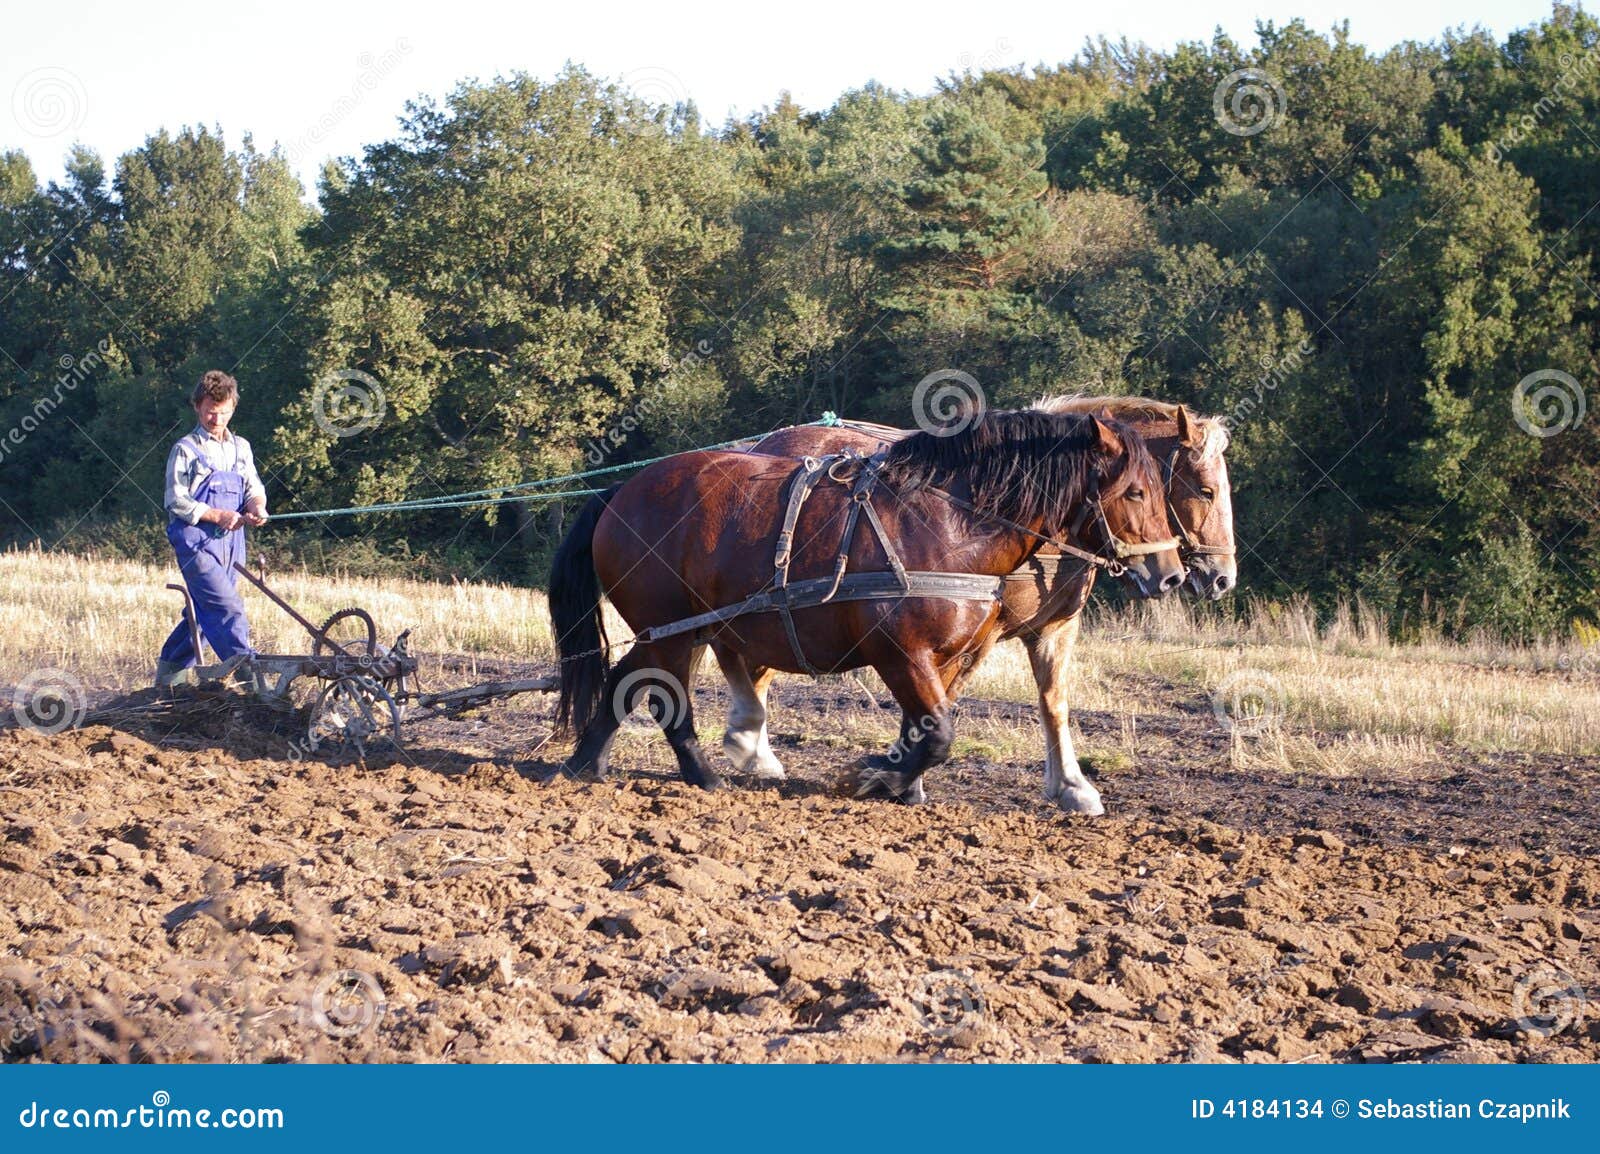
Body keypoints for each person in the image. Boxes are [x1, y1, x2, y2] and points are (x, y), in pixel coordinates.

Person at [155, 370, 269, 685]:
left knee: (203, 614)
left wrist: (257, 508)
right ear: (197, 406)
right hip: (195, 544)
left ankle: (168, 683)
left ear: (233, 408)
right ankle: (255, 686)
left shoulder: (241, 447)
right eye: (210, 412)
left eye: (224, 412)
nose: (217, 420)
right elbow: (175, 500)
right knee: (225, 608)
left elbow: (253, 488)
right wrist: (217, 515)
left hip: (232, 544)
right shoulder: (186, 449)